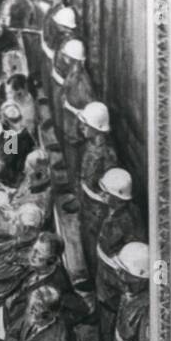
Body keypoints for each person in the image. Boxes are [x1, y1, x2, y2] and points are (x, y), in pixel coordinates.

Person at [93, 168, 146, 341]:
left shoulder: (129, 221)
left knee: (109, 316)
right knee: (103, 313)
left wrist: (120, 279)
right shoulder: (116, 212)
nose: (103, 196)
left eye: (108, 193)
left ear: (118, 198)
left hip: (114, 278)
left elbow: (132, 254)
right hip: (106, 274)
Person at [77, 101, 119, 272]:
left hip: (96, 209)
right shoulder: (90, 145)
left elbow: (108, 187)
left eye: (85, 124)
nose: (81, 127)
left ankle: (92, 278)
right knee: (86, 238)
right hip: (87, 203)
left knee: (92, 241)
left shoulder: (106, 154)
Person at [59, 40, 94, 180]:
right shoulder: (73, 75)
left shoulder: (81, 82)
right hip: (71, 127)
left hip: (75, 130)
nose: (65, 59)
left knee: (75, 163)